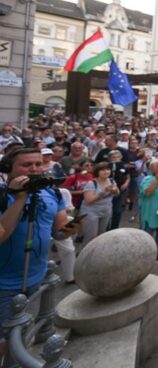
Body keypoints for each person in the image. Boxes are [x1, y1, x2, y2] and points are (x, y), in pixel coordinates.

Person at [0, 149, 74, 358]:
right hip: (5, 284)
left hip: (37, 276)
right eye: (26, 165)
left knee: (21, 331)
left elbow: (59, 233)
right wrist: (19, 199)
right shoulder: (1, 194)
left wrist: (76, 223)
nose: (34, 169)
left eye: (38, 164)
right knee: (5, 343)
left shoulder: (52, 193)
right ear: (8, 169)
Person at [80, 162, 119, 247]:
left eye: (108, 169)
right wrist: (103, 191)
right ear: (97, 172)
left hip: (106, 211)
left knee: (101, 236)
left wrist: (114, 191)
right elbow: (89, 200)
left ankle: (96, 256)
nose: (106, 172)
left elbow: (117, 194)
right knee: (91, 236)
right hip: (91, 212)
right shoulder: (91, 183)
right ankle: (85, 256)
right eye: (103, 170)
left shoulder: (111, 181)